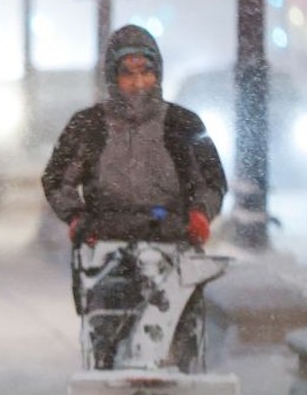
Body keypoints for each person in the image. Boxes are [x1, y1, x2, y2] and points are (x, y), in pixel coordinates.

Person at [42, 24, 227, 370]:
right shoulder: (89, 126)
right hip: (107, 251)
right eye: (128, 74)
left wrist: (201, 215)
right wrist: (77, 218)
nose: (139, 83)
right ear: (113, 77)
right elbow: (57, 180)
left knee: (177, 346)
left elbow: (211, 181)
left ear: (158, 73)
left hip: (172, 246)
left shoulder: (182, 125)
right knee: (108, 346)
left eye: (146, 72)